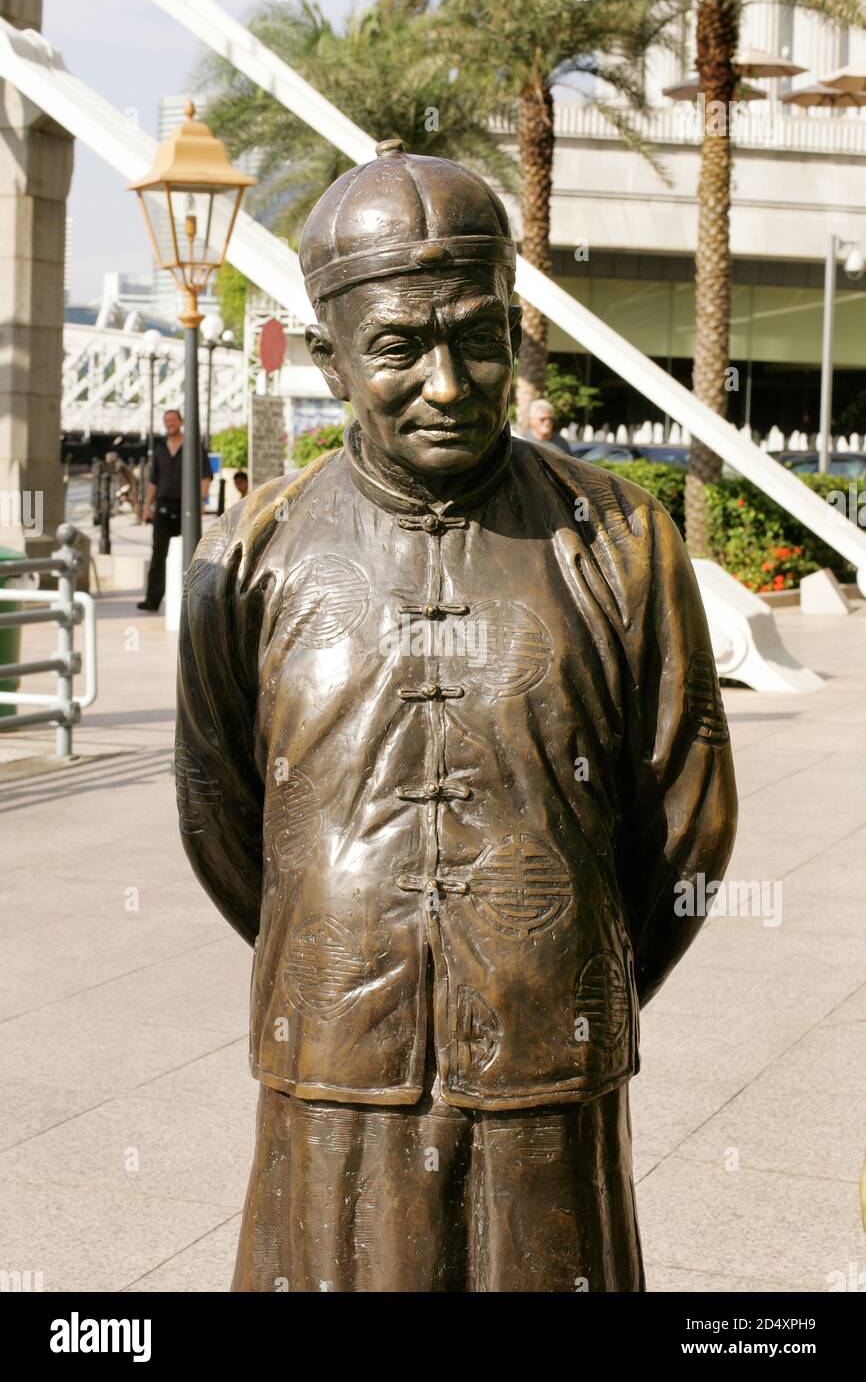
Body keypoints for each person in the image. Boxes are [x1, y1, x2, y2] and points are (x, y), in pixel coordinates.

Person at [176, 140, 737, 1292]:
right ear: (331, 359)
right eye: (396, 347)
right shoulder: (249, 557)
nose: (446, 382)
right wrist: (337, 930)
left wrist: (566, 967)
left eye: (476, 339)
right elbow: (221, 812)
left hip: (550, 1063)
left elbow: (684, 816)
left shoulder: (622, 541)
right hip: (330, 1058)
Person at [137, 410, 212, 612]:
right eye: (166, 420)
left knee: (195, 553)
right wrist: (146, 507)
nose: (170, 423)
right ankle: (152, 600)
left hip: (186, 508)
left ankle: (196, 599)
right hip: (162, 507)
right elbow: (153, 481)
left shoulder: (194, 447)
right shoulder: (160, 449)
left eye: (173, 420)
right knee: (158, 554)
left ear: (181, 422)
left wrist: (201, 502)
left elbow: (206, 476)